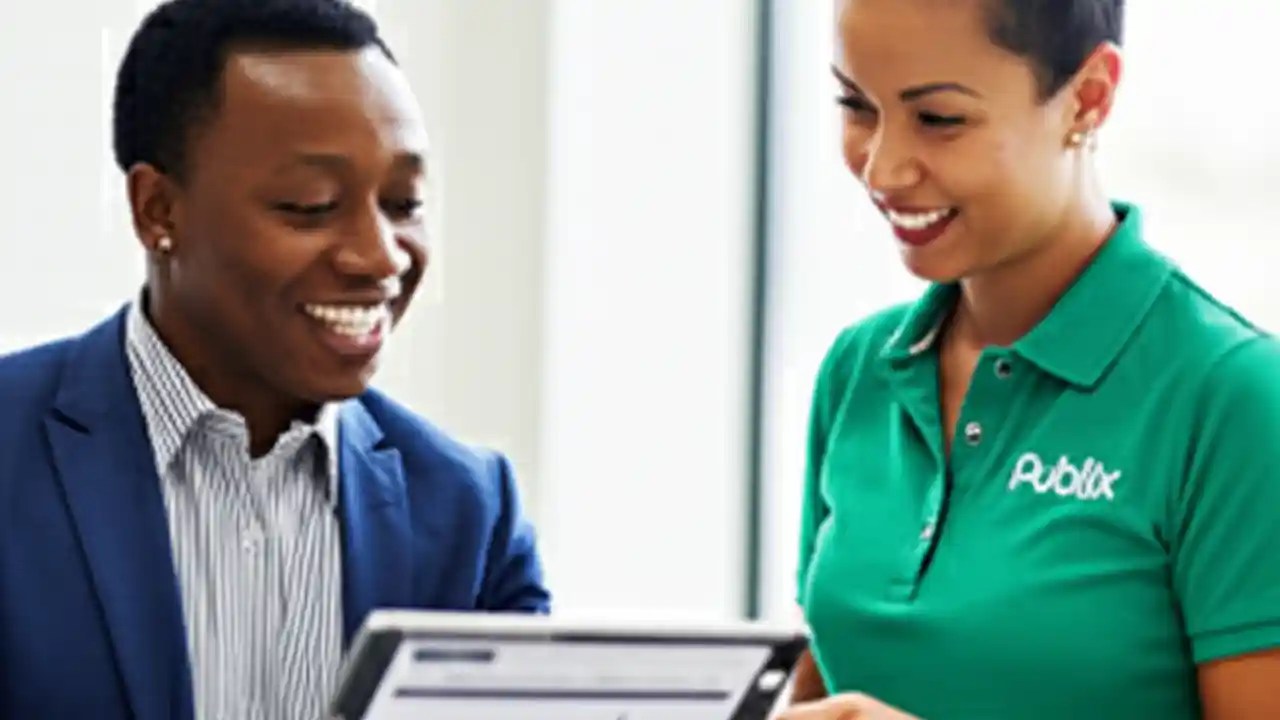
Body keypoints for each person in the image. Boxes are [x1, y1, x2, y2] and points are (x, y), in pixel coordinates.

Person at [0, 1, 550, 718]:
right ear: (158, 210)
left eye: (403, 203)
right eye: (310, 204)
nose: (380, 256)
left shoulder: (467, 514)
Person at [778, 1, 1280, 719]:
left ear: (1089, 96)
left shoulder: (1235, 400)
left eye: (940, 119)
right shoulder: (859, 370)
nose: (881, 167)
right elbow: (822, 688)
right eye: (856, 105)